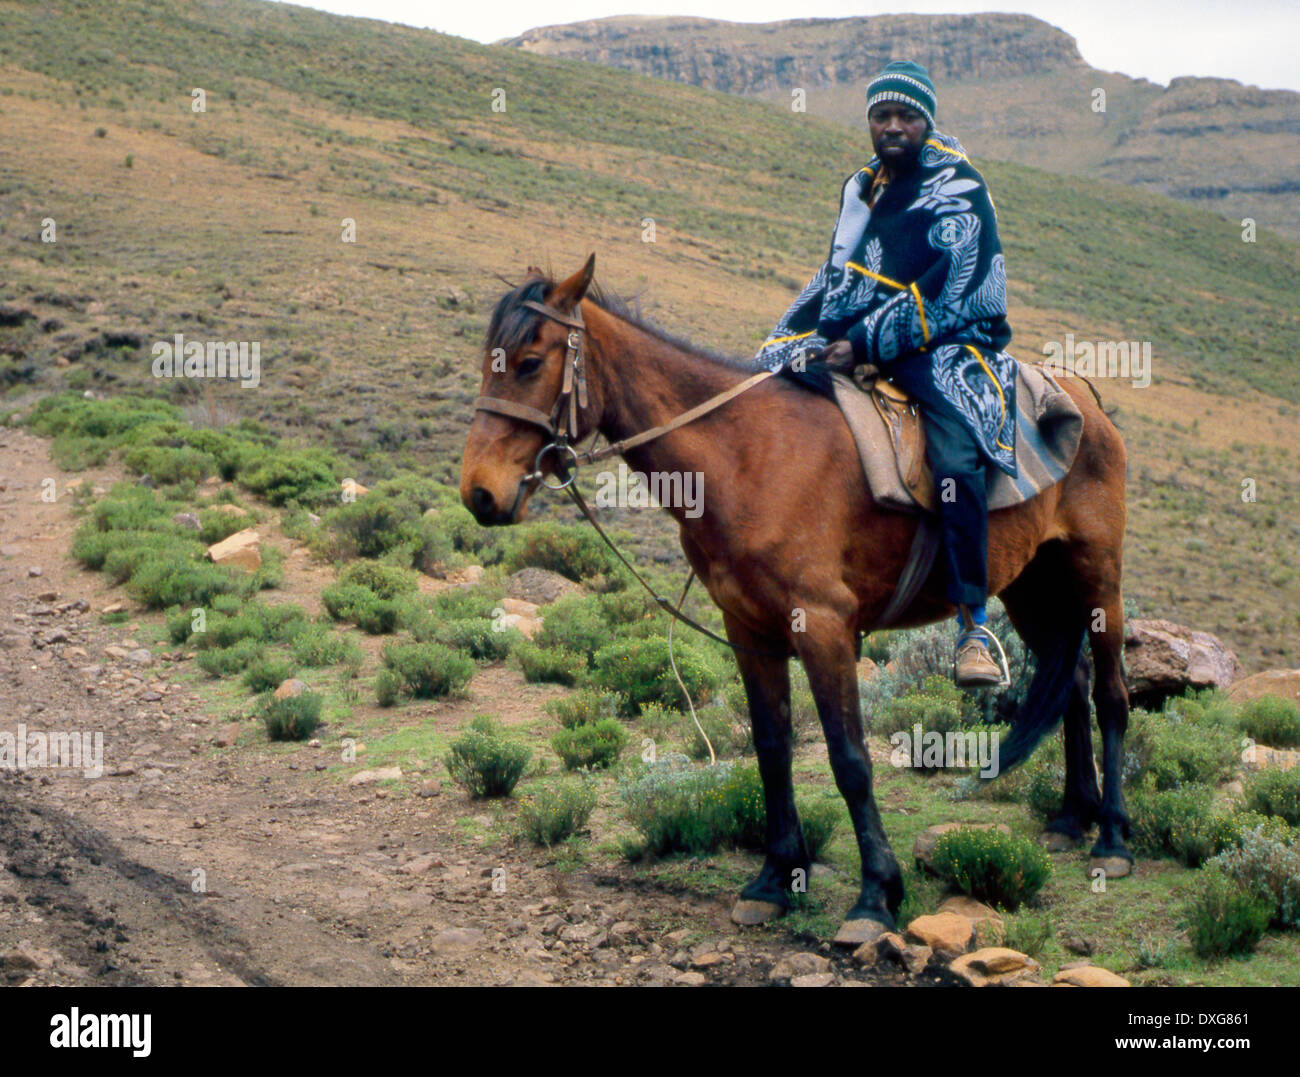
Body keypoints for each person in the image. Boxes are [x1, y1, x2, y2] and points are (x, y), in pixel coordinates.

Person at [756, 60, 1015, 686]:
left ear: (927, 120)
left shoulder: (960, 187)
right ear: (869, 122)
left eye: (906, 115)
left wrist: (867, 340)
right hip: (861, 345)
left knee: (955, 464)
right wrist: (792, 341)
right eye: (882, 116)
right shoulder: (862, 189)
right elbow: (840, 275)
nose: (893, 126)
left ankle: (974, 624)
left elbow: (958, 287)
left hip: (947, 344)